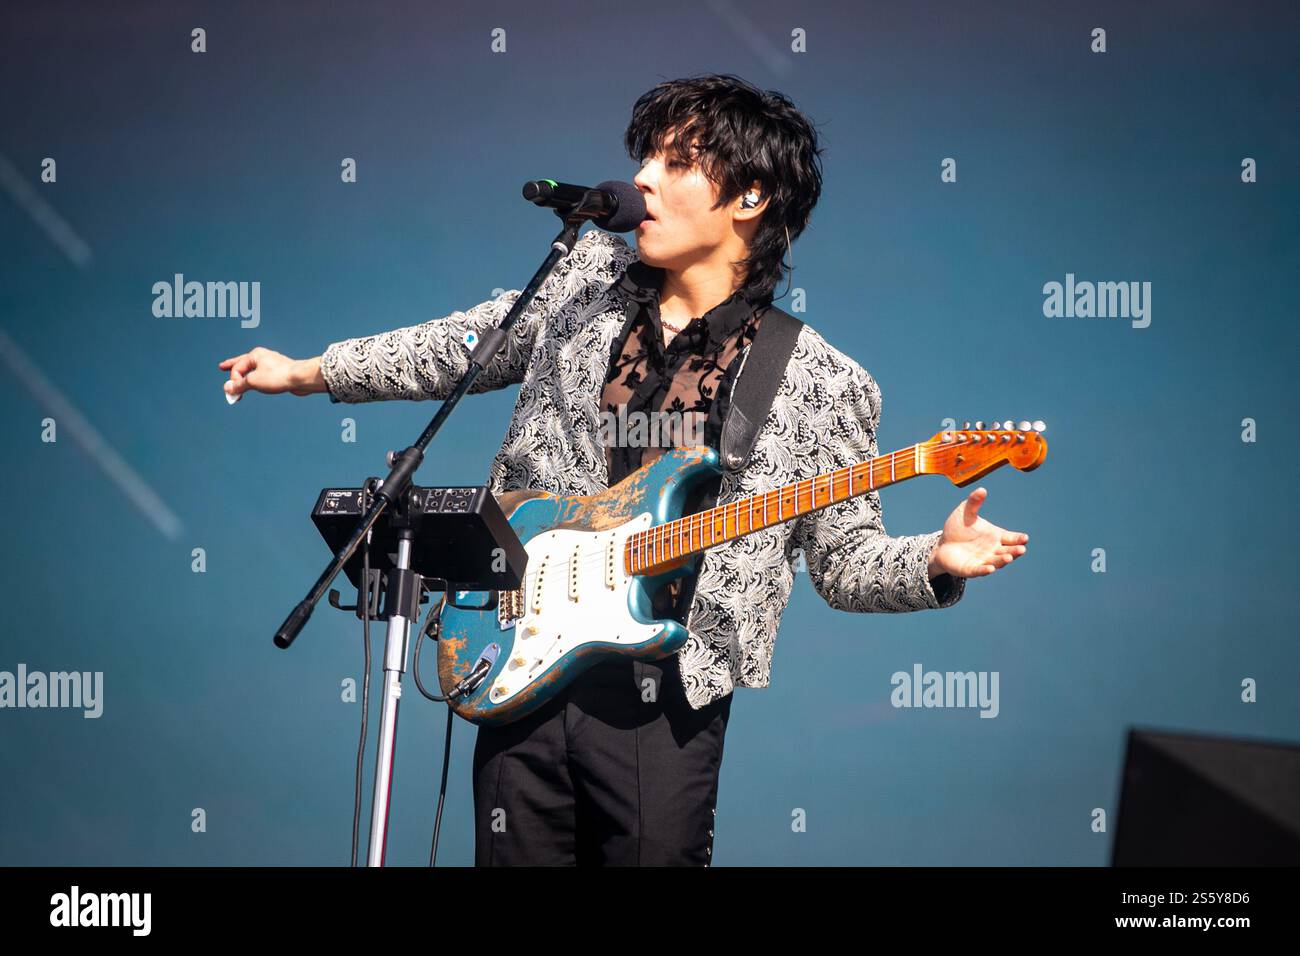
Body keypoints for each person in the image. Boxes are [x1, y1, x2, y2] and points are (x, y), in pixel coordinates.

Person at [218, 73, 1029, 866]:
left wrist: (935, 558)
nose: (641, 177)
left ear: (749, 196)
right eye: (646, 157)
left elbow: (845, 563)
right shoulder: (582, 282)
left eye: (676, 162)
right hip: (519, 651)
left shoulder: (821, 381)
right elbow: (463, 345)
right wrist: (310, 370)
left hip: (665, 692)